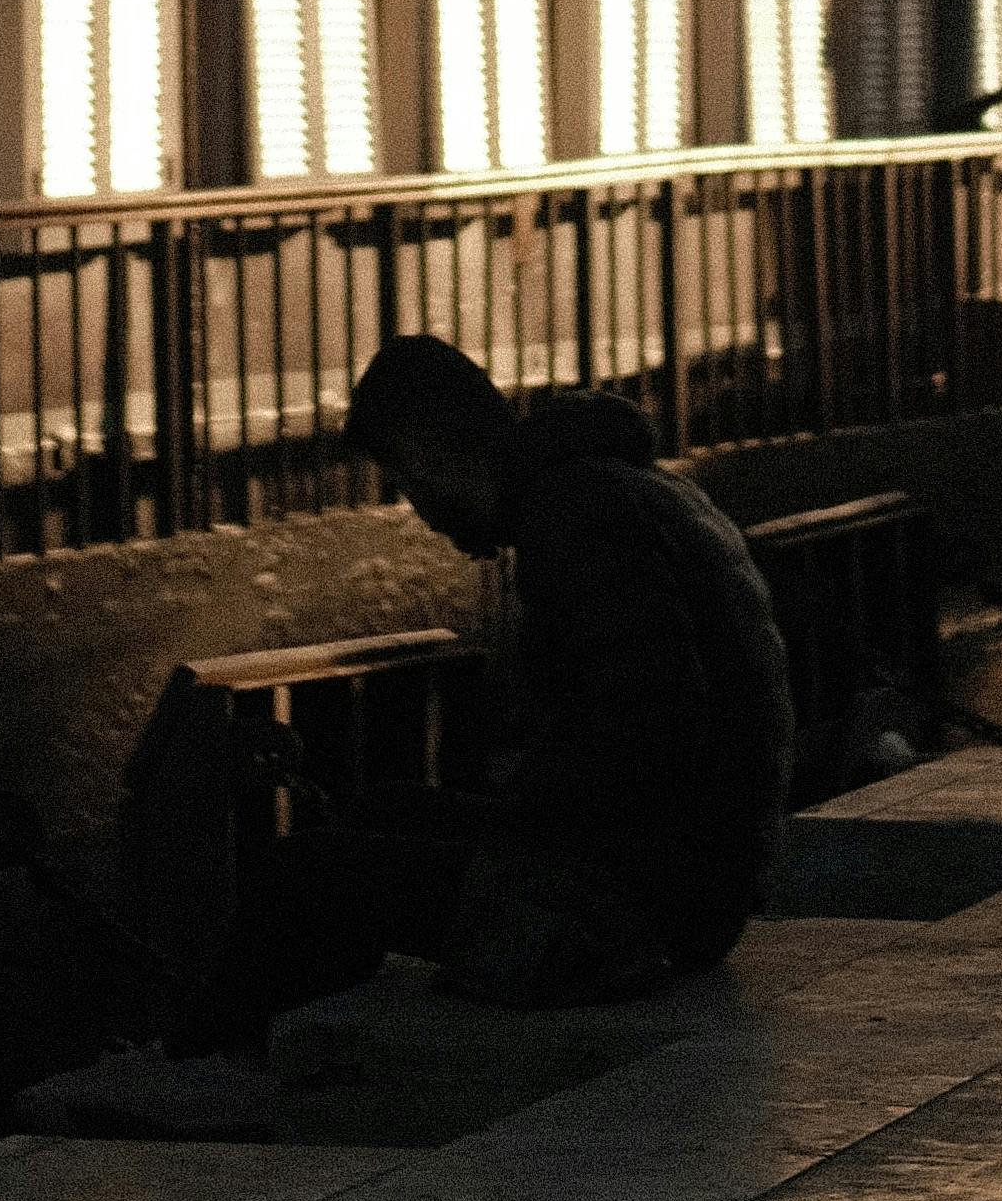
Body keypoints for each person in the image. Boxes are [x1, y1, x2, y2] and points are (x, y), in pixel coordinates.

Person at [168, 335, 795, 1040]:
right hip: (698, 878)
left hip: (645, 906)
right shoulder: (627, 487)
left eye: (410, 483)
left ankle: (214, 1063)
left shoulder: (575, 513)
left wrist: (517, 832)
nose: (425, 515)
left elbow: (650, 723)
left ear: (432, 452)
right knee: (382, 811)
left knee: (304, 874)